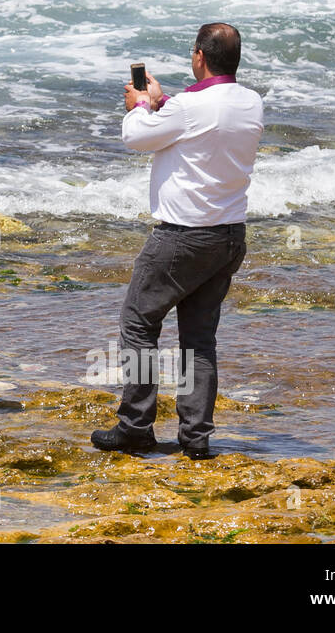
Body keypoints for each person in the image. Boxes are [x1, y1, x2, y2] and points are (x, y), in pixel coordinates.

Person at [91, 23, 263, 460]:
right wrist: (161, 102)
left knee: (138, 323)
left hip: (182, 236)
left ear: (199, 57)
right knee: (199, 339)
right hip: (228, 236)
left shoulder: (189, 107)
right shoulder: (250, 103)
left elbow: (136, 137)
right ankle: (195, 435)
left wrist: (138, 106)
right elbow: (201, 124)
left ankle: (135, 425)